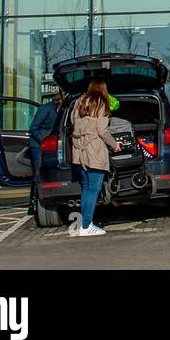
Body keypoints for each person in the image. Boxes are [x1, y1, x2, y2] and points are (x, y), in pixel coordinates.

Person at [70, 79, 118, 237]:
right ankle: (86, 226)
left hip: (79, 152)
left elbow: (72, 122)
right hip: (94, 151)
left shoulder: (79, 102)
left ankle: (84, 224)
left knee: (86, 188)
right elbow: (102, 131)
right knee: (93, 189)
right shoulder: (101, 103)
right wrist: (114, 145)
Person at [26, 89, 62, 216]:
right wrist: (44, 140)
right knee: (37, 173)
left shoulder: (60, 110)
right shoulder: (46, 109)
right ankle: (32, 204)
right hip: (38, 145)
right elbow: (34, 128)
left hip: (51, 145)